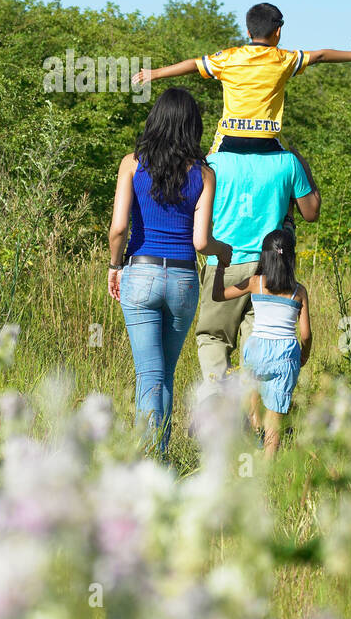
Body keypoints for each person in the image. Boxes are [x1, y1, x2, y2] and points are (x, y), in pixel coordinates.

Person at [108, 88, 232, 453]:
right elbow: (201, 242)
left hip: (140, 273)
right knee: (165, 375)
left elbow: (118, 229)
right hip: (182, 280)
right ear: (191, 126)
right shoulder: (205, 174)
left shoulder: (132, 164)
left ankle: (146, 463)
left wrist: (114, 267)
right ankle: (158, 458)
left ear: (156, 120)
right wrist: (223, 252)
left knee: (150, 375)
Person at [132, 2, 351, 153]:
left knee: (204, 175)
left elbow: (193, 64)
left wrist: (155, 73)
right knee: (296, 166)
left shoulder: (229, 57)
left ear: (248, 31)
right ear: (278, 31)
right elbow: (319, 56)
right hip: (268, 139)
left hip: (230, 139)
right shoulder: (283, 58)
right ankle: (288, 223)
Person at [196, 139, 319, 385]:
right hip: (271, 266)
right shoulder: (287, 162)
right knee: (257, 341)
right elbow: (311, 211)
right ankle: (255, 412)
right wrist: (297, 155)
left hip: (224, 261)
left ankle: (215, 407)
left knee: (214, 338)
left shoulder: (214, 163)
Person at [210, 228, 312, 458]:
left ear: (265, 256)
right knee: (275, 418)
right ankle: (267, 467)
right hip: (285, 354)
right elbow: (305, 334)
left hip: (257, 350)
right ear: (291, 258)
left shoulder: (256, 283)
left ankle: (255, 431)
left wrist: (220, 266)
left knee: (252, 395)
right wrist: (304, 355)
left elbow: (218, 295)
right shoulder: (298, 291)